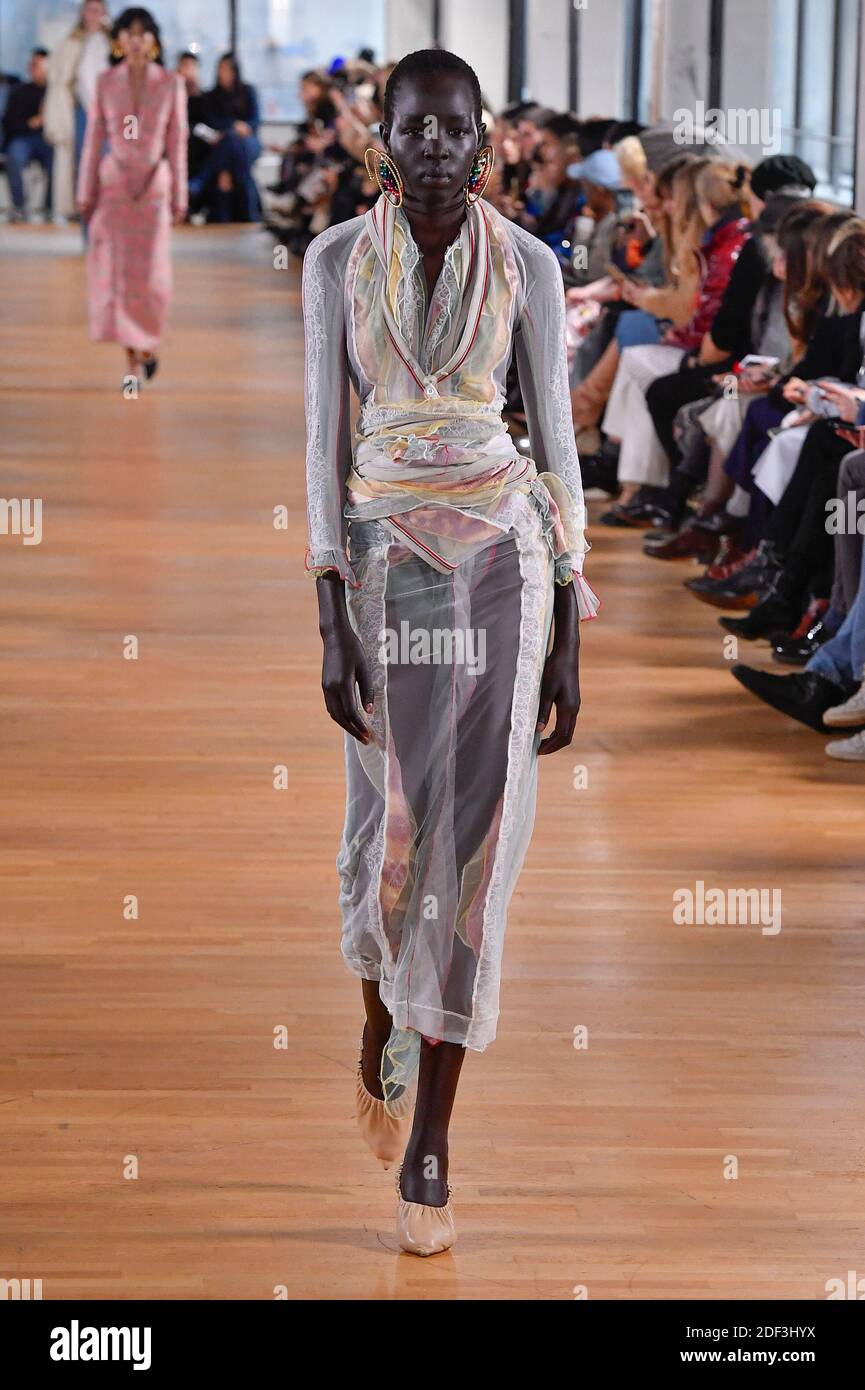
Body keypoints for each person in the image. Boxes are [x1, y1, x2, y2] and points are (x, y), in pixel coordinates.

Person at [301, 48, 598, 1257]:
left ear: (483, 143)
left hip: (504, 558)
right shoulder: (333, 261)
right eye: (411, 128)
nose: (431, 146)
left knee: (476, 836)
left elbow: (560, 445)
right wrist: (325, 605)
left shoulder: (528, 262)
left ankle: (431, 1139)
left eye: (452, 129)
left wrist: (573, 618)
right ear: (382, 137)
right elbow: (322, 442)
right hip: (379, 561)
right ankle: (378, 1006)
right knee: (389, 822)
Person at [76, 8, 188, 386]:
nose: (136, 39)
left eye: (143, 33)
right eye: (129, 32)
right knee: (118, 274)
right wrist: (84, 190)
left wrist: (179, 195)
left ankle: (147, 344)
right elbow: (93, 138)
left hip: (154, 187)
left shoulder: (171, 83)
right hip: (115, 188)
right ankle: (132, 362)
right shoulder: (105, 82)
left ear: (153, 40)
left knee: (152, 276)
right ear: (119, 41)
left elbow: (178, 142)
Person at [43, 0, 110, 223]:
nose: (94, 15)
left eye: (98, 10)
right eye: (89, 10)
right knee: (83, 162)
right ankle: (86, 213)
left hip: (113, 113)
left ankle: (107, 209)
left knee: (110, 160)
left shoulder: (113, 42)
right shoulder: (71, 42)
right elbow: (60, 78)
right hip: (81, 111)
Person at [192, 53, 261, 222]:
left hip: (247, 141)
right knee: (231, 142)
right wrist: (232, 126)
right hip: (225, 143)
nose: (222, 72)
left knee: (233, 141)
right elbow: (212, 121)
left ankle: (203, 178)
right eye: (220, 68)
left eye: (227, 69)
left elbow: (255, 120)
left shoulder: (248, 91)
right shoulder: (211, 96)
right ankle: (250, 212)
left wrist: (241, 127)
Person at [3, 49, 53, 222]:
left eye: (38, 64)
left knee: (57, 160)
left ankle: (50, 209)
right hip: (22, 137)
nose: (34, 68)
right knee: (15, 156)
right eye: (31, 64)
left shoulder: (54, 93)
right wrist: (32, 122)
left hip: (48, 139)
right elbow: (9, 123)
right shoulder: (19, 91)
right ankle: (19, 207)